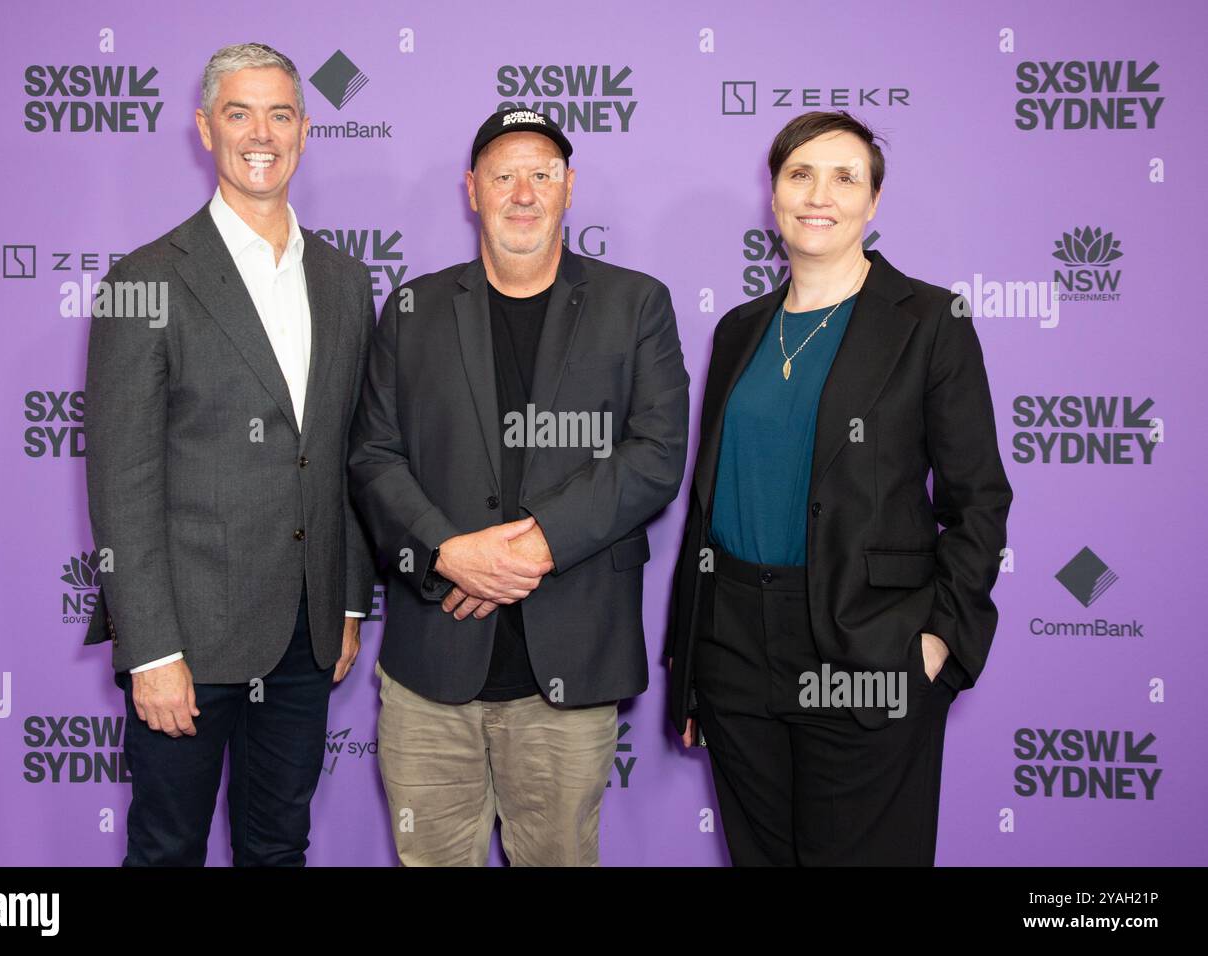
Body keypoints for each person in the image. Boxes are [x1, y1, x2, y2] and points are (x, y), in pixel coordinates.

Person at [665, 110, 1012, 866]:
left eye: (844, 177)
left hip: (866, 642)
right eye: (799, 174)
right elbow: (707, 503)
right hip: (734, 648)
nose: (819, 194)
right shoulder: (738, 329)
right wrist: (691, 665)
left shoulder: (928, 320)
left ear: (873, 203)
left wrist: (937, 640)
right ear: (774, 196)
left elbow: (978, 497)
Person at [348, 108, 690, 866]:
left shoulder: (635, 303)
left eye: (543, 173)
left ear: (570, 188)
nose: (524, 192)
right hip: (431, 668)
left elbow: (658, 452)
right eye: (504, 174)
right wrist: (446, 551)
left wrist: (535, 543)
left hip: (569, 666)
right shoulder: (412, 309)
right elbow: (374, 455)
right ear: (473, 189)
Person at [82, 42, 376, 866]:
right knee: (169, 847)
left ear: (305, 131)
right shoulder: (148, 278)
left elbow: (349, 451)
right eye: (239, 113)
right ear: (205, 129)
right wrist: (150, 650)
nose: (262, 133)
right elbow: (123, 479)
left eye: (281, 114)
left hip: (306, 635)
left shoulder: (347, 282)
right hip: (188, 638)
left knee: (279, 845)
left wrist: (349, 600)